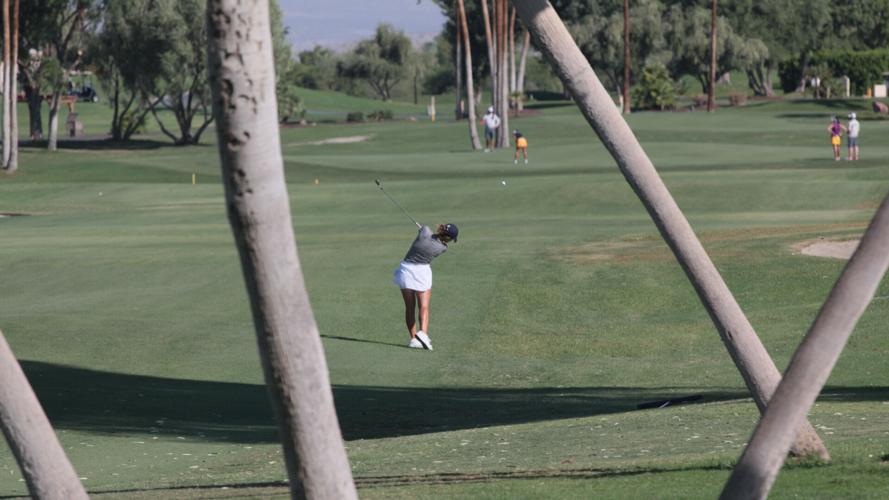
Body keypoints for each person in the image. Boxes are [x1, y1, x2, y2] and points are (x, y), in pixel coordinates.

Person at [392, 223, 459, 350]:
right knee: (423, 306)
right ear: (448, 238)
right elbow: (435, 238)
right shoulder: (443, 248)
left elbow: (425, 230)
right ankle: (423, 334)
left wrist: (422, 228)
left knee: (410, 307)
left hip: (406, 270)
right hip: (422, 272)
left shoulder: (425, 232)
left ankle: (413, 339)